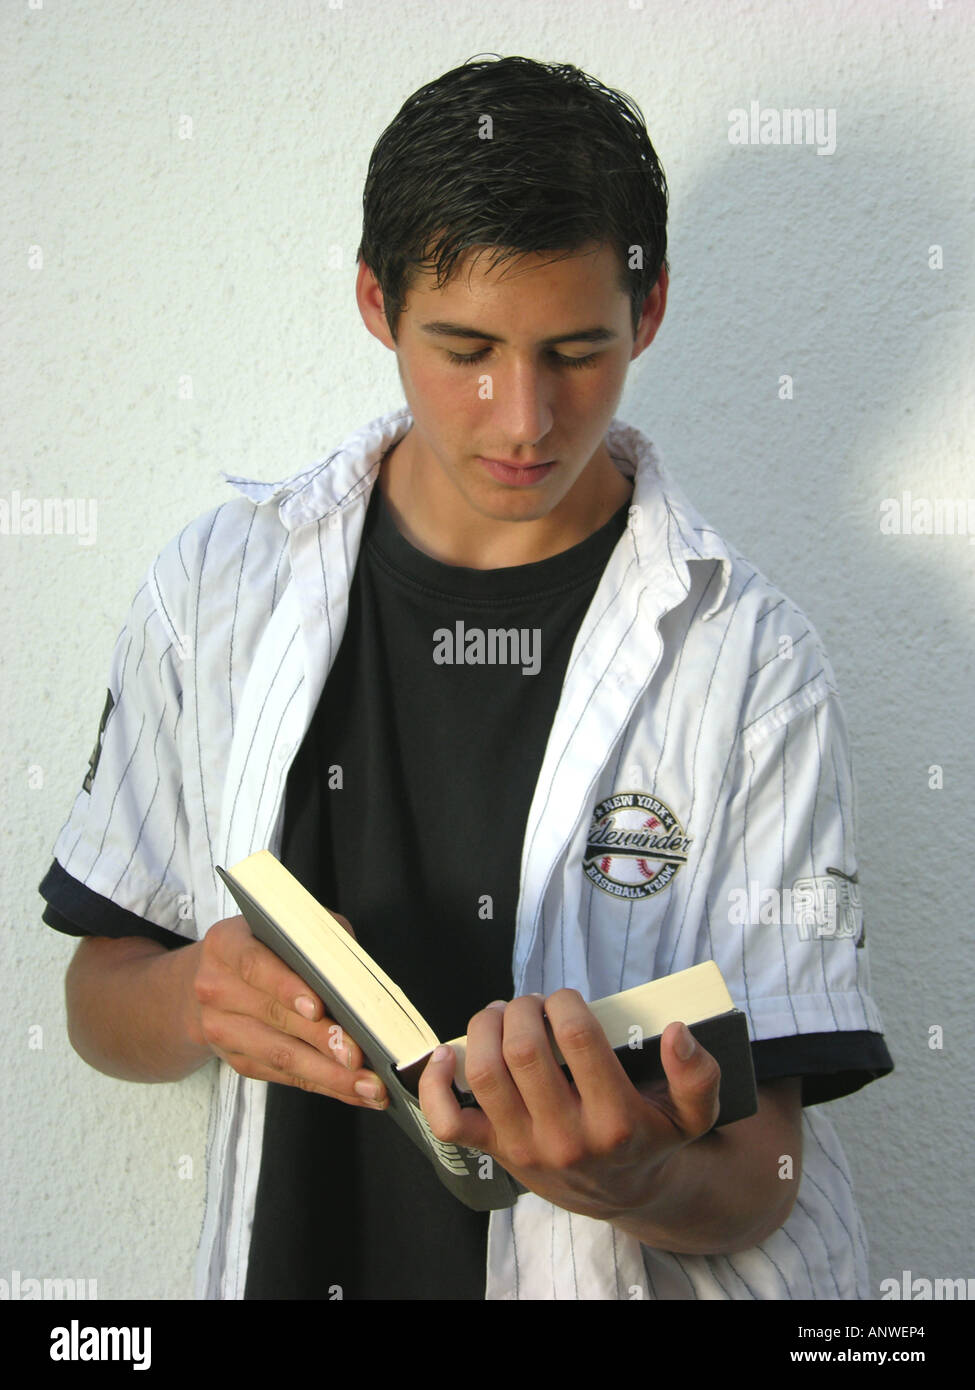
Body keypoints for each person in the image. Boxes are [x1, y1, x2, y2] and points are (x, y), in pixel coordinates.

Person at [39, 54, 893, 1300]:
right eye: (466, 347)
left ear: (647, 316)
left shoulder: (752, 663)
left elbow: (766, 1171)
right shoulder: (215, 589)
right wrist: (193, 996)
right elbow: (98, 996)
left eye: (577, 350)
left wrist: (639, 1178)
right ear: (377, 306)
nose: (522, 418)